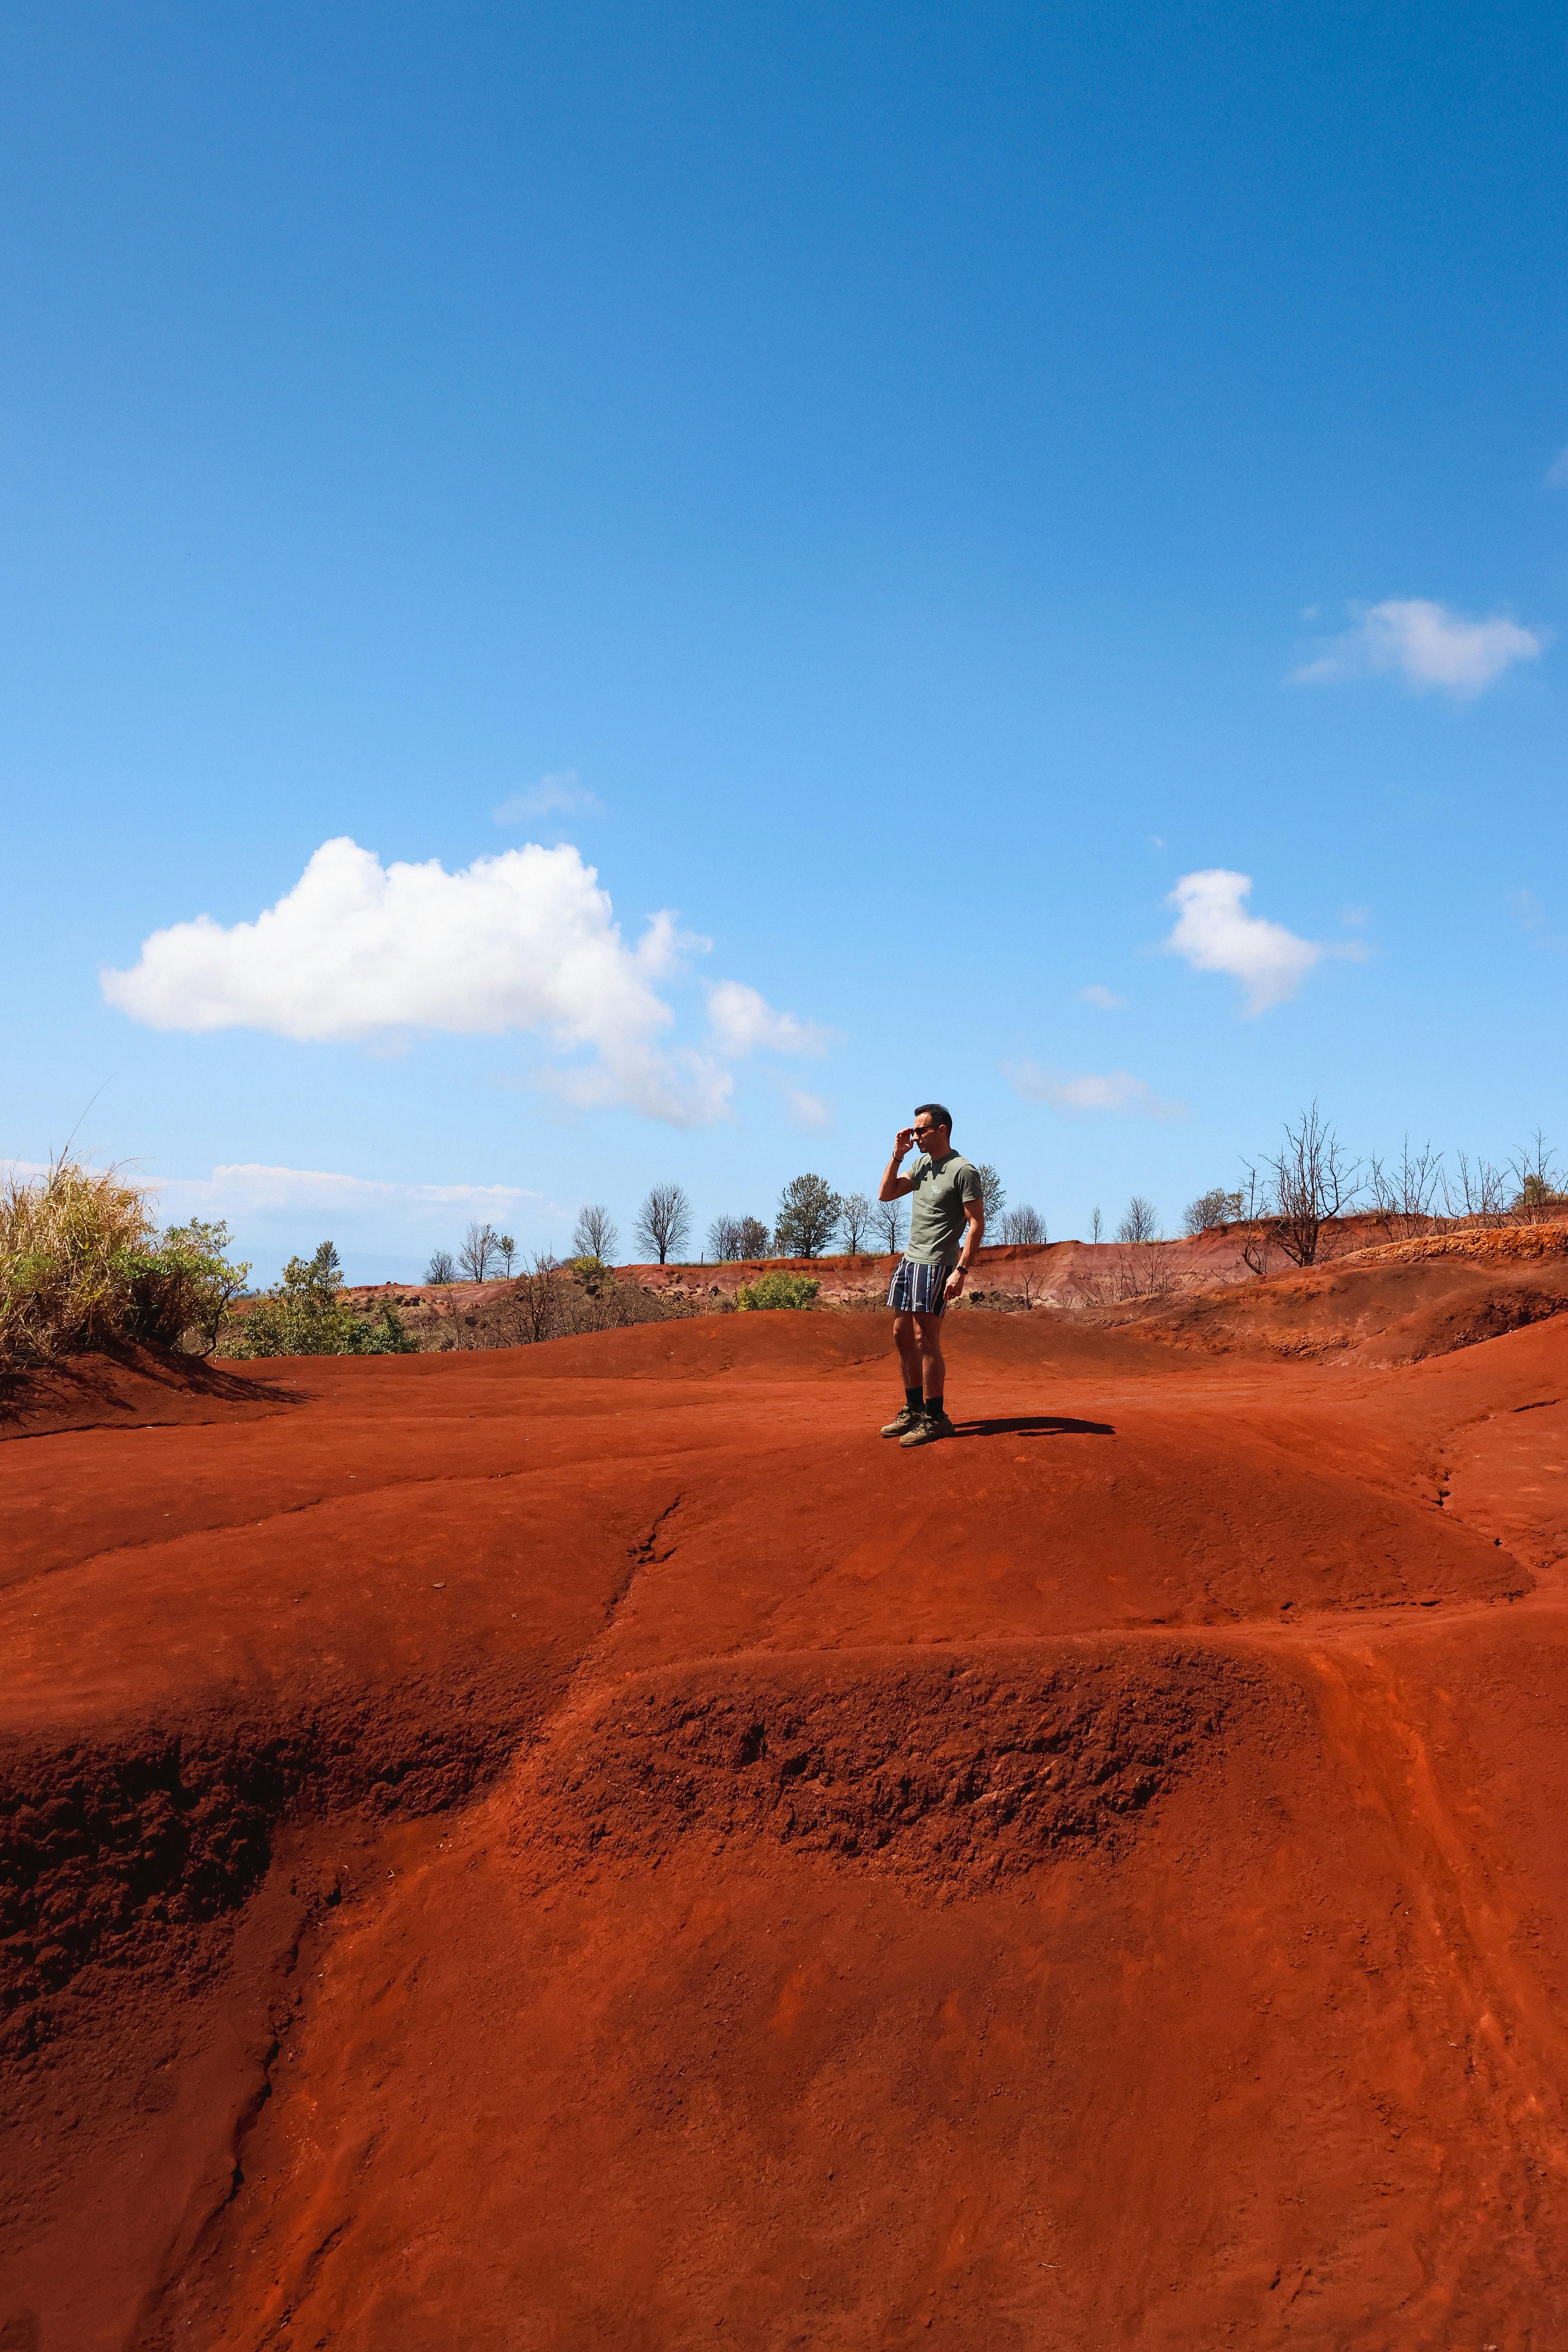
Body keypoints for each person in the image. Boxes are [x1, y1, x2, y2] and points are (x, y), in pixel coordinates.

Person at [877, 1102, 984, 1446]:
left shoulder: (962, 1170)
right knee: (900, 1336)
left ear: (941, 1131)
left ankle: (936, 1417)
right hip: (910, 1261)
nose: (915, 1136)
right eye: (913, 1130)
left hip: (937, 1264)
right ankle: (913, 1409)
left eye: (921, 1131)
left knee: (926, 1341)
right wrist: (897, 1155)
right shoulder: (921, 1164)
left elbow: (976, 1224)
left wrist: (961, 1271)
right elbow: (886, 1194)